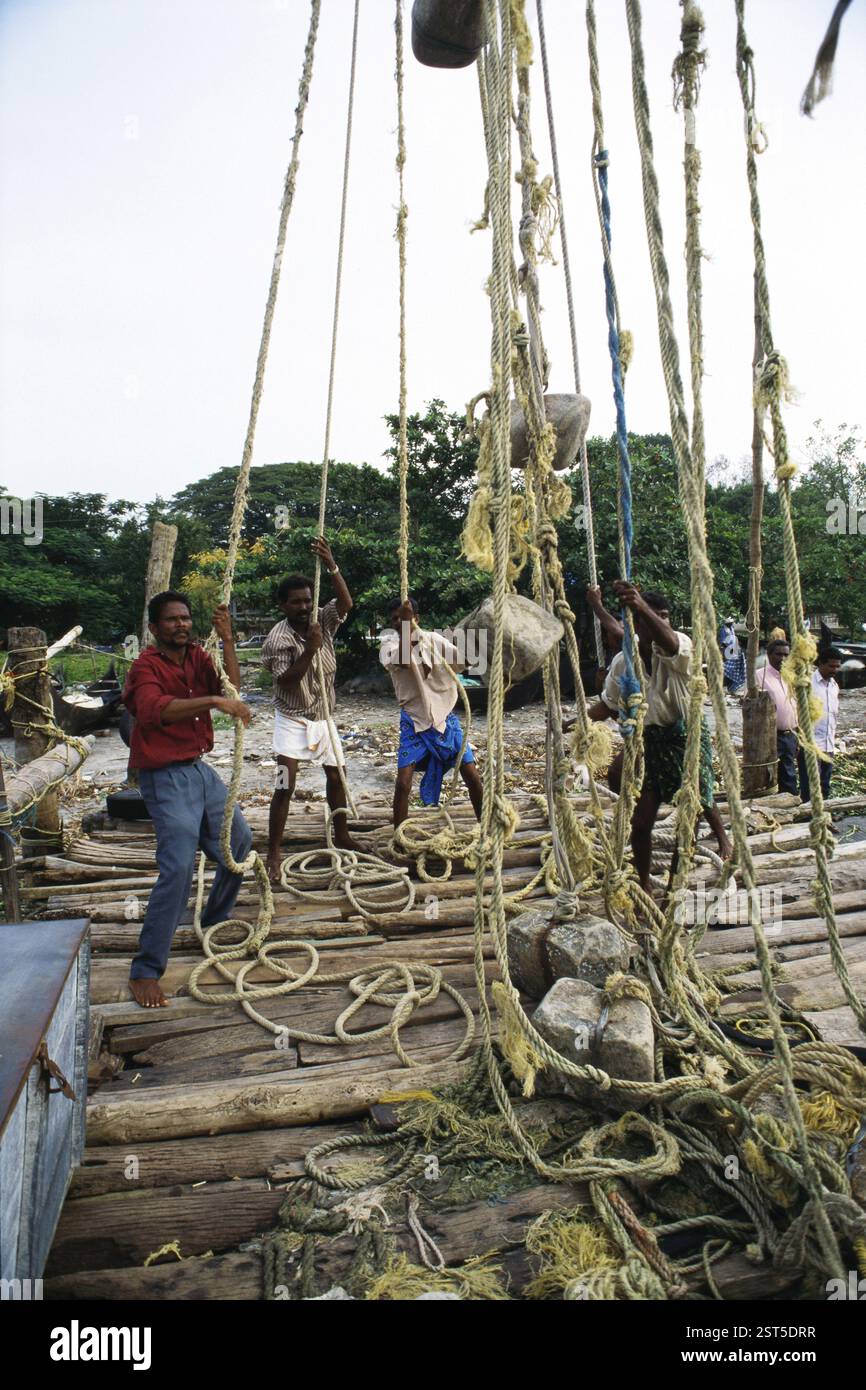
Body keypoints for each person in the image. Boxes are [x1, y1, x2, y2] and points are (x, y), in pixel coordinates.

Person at [122, 593, 253, 1009]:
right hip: (163, 775)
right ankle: (146, 969)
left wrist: (227, 640)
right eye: (172, 620)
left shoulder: (198, 657)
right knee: (177, 867)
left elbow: (232, 686)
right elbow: (152, 710)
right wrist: (214, 702)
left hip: (197, 768)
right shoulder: (145, 667)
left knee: (239, 843)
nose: (181, 624)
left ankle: (214, 919)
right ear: (154, 628)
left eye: (185, 617)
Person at [579, 581, 732, 893]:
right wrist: (573, 724)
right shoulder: (625, 660)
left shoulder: (679, 646)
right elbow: (608, 706)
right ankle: (645, 880)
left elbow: (668, 641)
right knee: (641, 821)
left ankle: (677, 885)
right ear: (637, 625)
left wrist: (641, 608)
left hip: (686, 739)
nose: (661, 622)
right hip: (651, 743)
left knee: (695, 809)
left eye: (665, 616)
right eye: (653, 616)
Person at [261, 536, 357, 882]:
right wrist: (310, 650)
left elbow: (345, 604)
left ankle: (342, 833)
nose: (304, 607)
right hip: (291, 718)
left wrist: (332, 565)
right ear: (283, 606)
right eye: (296, 603)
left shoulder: (321, 619)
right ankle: (274, 850)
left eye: (307, 600)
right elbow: (286, 681)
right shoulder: (278, 639)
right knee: (284, 783)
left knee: (337, 775)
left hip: (323, 716)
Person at [380, 597, 484, 828]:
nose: (398, 622)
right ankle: (399, 834)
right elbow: (405, 660)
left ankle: (486, 827)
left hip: (445, 718)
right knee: (403, 783)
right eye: (394, 619)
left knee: (472, 776)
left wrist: (477, 636)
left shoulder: (434, 640)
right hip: (414, 721)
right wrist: (406, 628)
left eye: (403, 617)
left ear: (417, 618)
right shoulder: (389, 645)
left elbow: (465, 661)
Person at [757, 638, 799, 795]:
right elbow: (750, 705)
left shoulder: (790, 677)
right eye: (778, 654)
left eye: (785, 655)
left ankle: (791, 805)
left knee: (788, 773)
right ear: (768, 655)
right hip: (770, 735)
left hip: (790, 734)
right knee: (768, 774)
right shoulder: (759, 677)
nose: (782, 658)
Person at [799, 648, 842, 802]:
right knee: (810, 785)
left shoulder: (834, 686)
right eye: (831, 666)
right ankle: (807, 816)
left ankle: (824, 815)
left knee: (824, 784)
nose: (835, 670)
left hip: (828, 744)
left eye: (837, 666)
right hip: (811, 745)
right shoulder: (808, 683)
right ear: (821, 664)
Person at [719, 617, 746, 694]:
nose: (732, 623)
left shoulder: (732, 628)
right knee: (728, 669)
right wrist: (724, 654)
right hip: (728, 651)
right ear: (727, 623)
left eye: (732, 622)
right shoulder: (724, 630)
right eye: (730, 622)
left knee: (735, 669)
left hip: (734, 651)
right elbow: (723, 643)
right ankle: (726, 686)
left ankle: (732, 687)